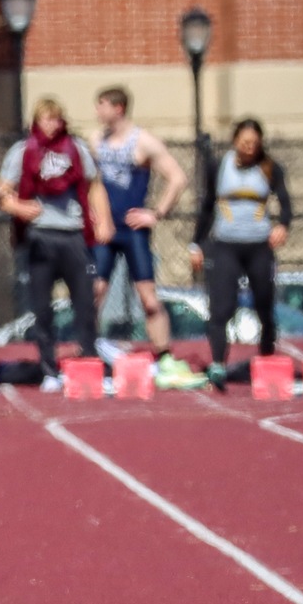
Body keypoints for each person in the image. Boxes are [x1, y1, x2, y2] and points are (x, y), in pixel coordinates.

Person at [0, 98, 112, 392]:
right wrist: (18, 207)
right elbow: (0, 190)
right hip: (40, 235)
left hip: (72, 234)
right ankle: (49, 369)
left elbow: (94, 184)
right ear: (36, 121)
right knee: (42, 307)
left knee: (85, 303)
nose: (51, 125)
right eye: (46, 119)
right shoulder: (22, 152)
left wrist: (104, 220)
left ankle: (90, 361)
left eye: (56, 119)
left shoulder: (76, 149)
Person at [90, 86, 198, 389]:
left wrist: (156, 212)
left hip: (133, 230)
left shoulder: (144, 141)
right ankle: (89, 350)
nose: (97, 112)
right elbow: (88, 181)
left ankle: (163, 355)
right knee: (94, 292)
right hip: (105, 231)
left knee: (149, 299)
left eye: (102, 106)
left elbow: (177, 177)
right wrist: (94, 215)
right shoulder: (96, 141)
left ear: (118, 108)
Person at [189, 118, 292, 383]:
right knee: (221, 307)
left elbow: (285, 203)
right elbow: (207, 207)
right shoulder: (219, 167)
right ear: (235, 141)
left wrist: (283, 225)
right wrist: (196, 244)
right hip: (225, 245)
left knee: (264, 305)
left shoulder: (269, 168)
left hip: (258, 246)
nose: (249, 147)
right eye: (244, 142)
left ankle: (267, 359)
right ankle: (218, 364)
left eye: (254, 143)